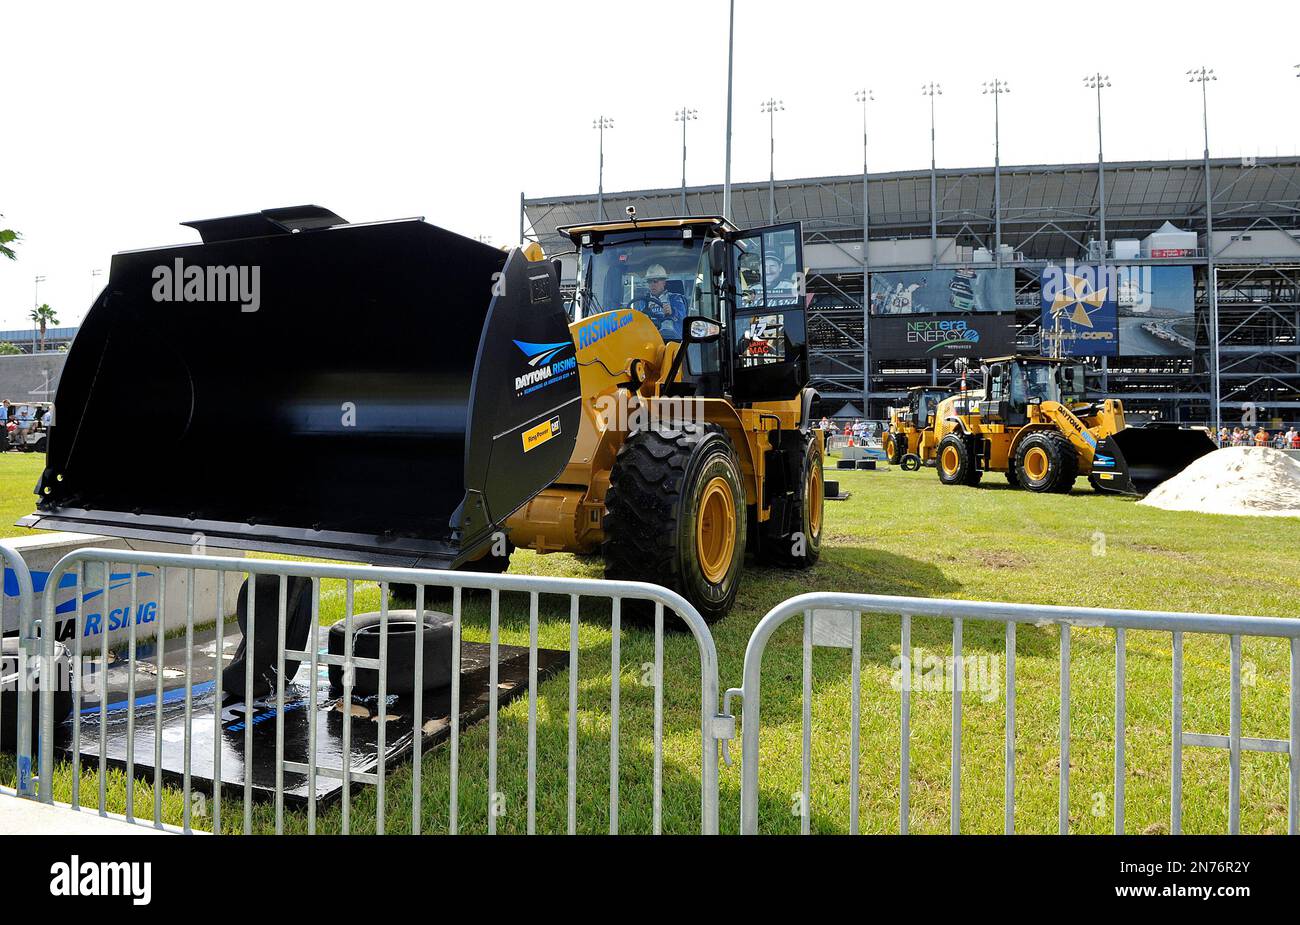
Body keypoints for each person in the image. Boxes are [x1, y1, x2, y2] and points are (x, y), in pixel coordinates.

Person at [640, 264, 686, 341]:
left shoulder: (675, 298)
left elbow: (684, 319)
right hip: (649, 340)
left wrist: (673, 312)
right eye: (649, 281)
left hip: (673, 340)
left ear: (664, 282)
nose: (652, 285)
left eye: (655, 281)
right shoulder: (643, 301)